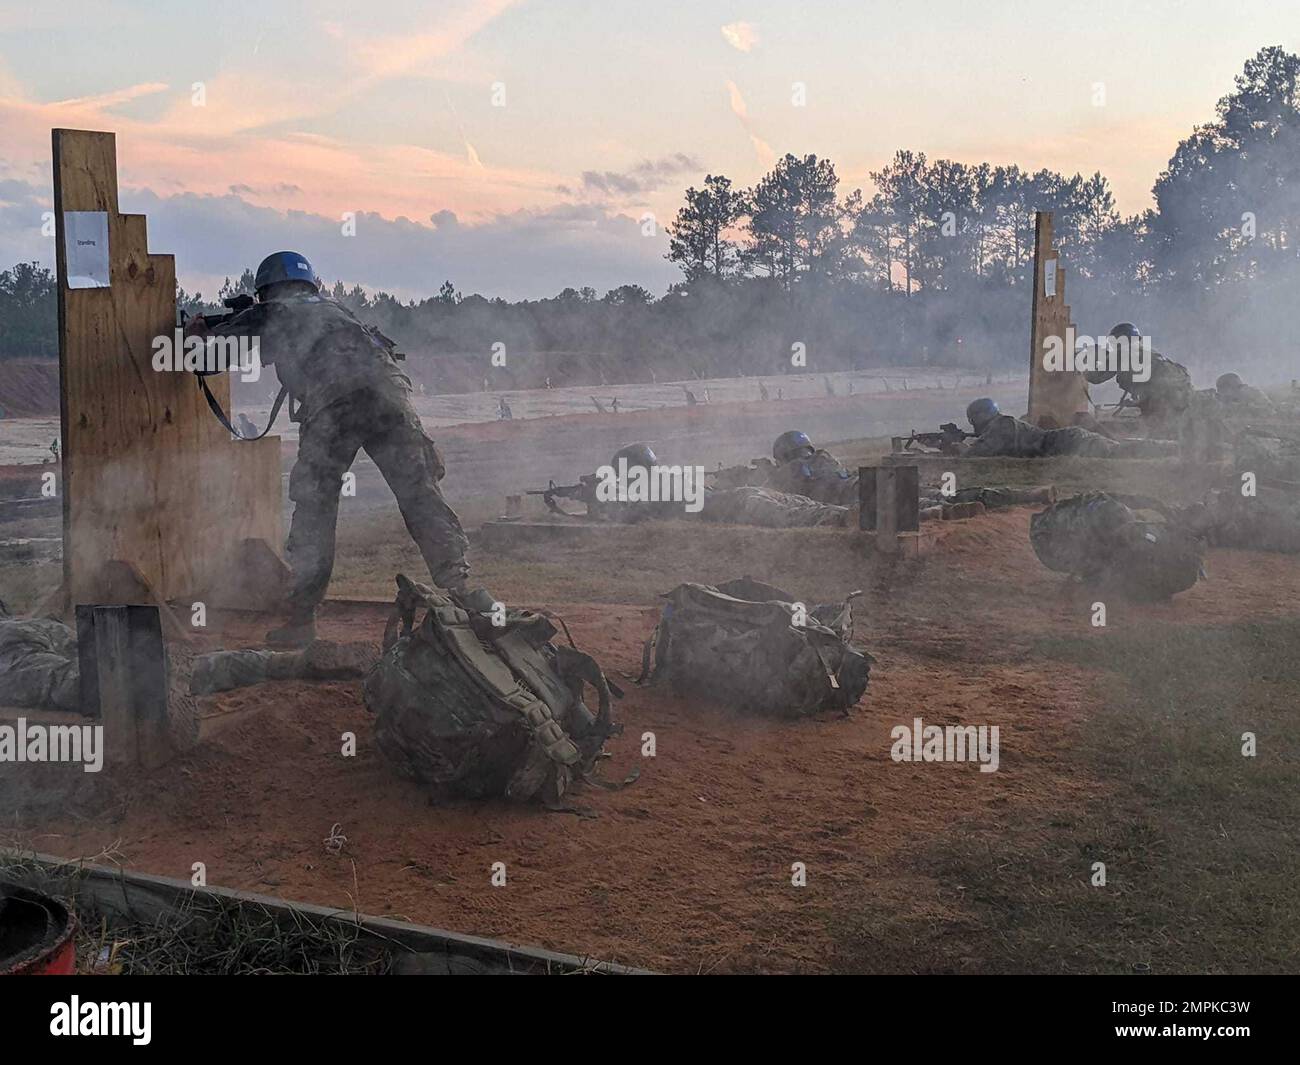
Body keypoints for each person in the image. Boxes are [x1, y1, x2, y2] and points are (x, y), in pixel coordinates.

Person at [186, 251, 487, 647]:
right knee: (420, 493)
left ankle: (300, 622)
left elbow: (206, 359)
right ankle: (465, 593)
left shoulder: (273, 309)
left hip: (334, 403)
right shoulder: (338, 311)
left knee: (315, 509)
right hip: (389, 395)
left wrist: (195, 332)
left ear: (265, 290)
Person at [962, 398, 1177, 458]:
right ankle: (1170, 447)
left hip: (1069, 442)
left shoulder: (1003, 426)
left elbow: (976, 454)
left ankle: (1171, 448)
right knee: (1119, 449)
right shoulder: (1003, 424)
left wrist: (956, 446)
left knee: (1119, 452)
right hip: (1068, 440)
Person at [767, 430, 858, 504]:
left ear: (783, 456)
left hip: (848, 495)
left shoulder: (791, 469)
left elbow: (768, 489)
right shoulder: (824, 458)